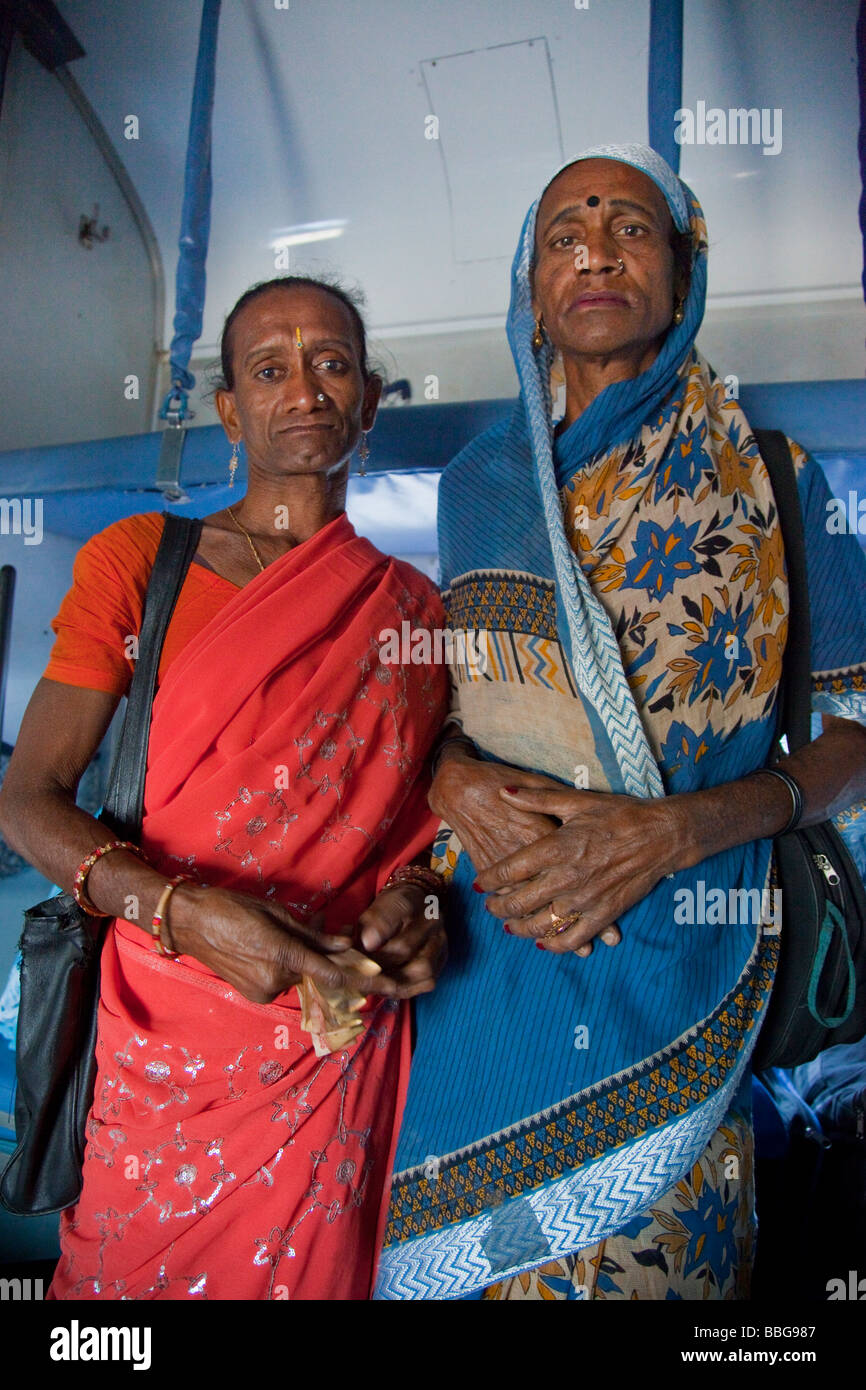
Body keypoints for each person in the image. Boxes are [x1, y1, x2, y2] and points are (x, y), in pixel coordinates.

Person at [373, 145, 866, 1301]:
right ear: (529, 292)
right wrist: (447, 782)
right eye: (563, 233)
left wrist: (664, 835)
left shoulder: (780, 480)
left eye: (631, 227)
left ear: (684, 273)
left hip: (684, 941)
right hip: (486, 950)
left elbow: (852, 734)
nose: (594, 249)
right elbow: (446, 700)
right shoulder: (474, 488)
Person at [0, 275, 450, 1300]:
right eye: (269, 367)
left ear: (371, 399)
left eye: (332, 363)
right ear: (230, 411)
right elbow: (28, 799)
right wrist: (177, 909)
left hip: (333, 1032)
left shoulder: (413, 610)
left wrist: (420, 903)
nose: (304, 389)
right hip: (162, 1028)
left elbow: (421, 840)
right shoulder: (139, 564)